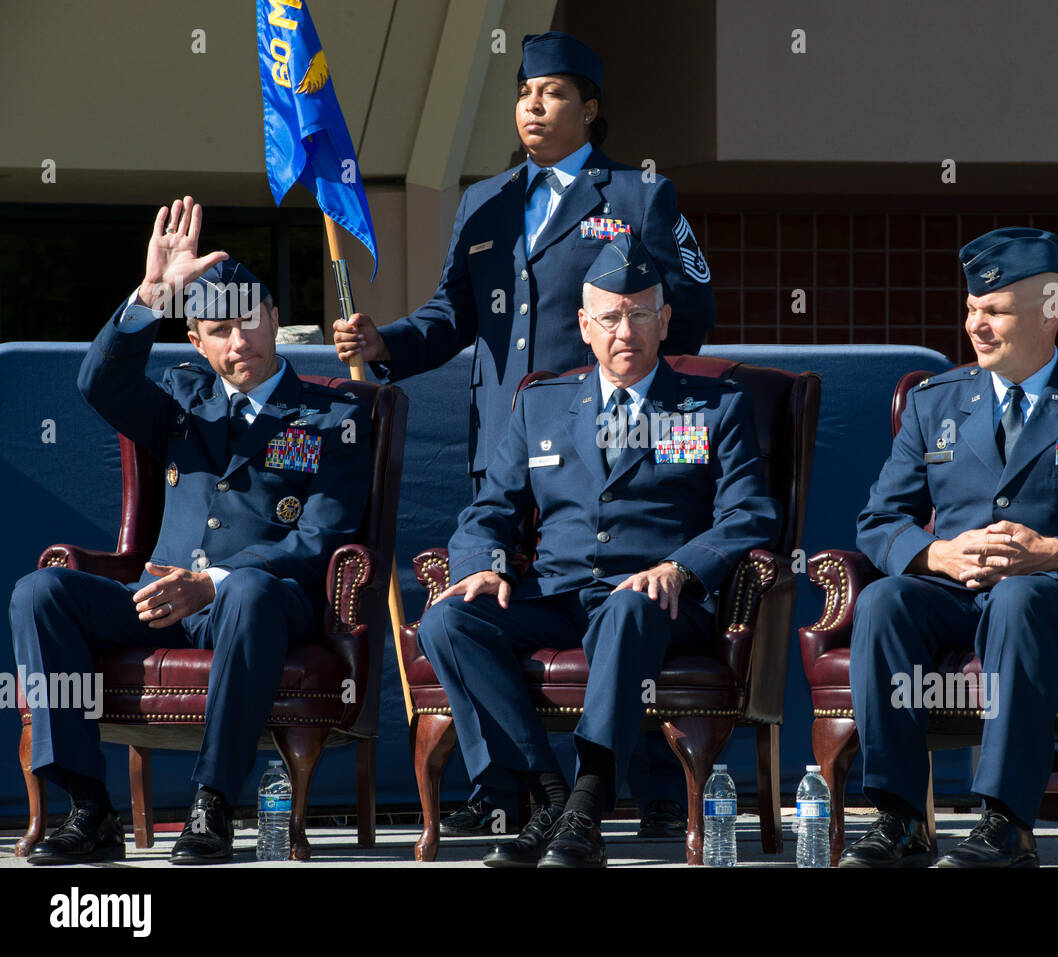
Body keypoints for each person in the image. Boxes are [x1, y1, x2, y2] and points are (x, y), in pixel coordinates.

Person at [335, 31, 712, 837]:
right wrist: (384, 344)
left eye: (551, 94)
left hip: (611, 451)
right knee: (479, 603)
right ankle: (510, 786)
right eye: (523, 94)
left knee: (615, 594)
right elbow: (451, 317)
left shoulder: (640, 196)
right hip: (510, 451)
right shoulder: (487, 203)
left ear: (591, 110)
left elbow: (692, 314)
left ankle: (638, 782)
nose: (532, 108)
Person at [10, 196, 372, 865]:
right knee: (40, 592)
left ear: (275, 319)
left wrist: (213, 582)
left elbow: (324, 537)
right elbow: (98, 382)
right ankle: (89, 807)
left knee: (249, 594)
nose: (240, 341)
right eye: (218, 329)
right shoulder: (180, 399)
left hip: (261, 601)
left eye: (252, 320)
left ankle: (212, 803)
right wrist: (153, 293)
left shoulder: (332, 415)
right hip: (159, 596)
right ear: (197, 343)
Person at [417, 235, 779, 867]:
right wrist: (483, 564)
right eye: (610, 316)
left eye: (640, 313)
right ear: (585, 326)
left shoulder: (717, 408)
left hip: (660, 604)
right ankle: (549, 794)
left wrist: (678, 568)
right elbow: (489, 510)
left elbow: (749, 515)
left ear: (665, 321)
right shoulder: (542, 404)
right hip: (557, 594)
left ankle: (587, 802)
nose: (625, 330)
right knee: (450, 618)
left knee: (628, 606)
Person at [841, 227, 1058, 868]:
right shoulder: (933, 403)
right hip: (956, 592)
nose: (977, 325)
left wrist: (1055, 551)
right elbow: (879, 518)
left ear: (1050, 312)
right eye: (972, 309)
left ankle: (1006, 825)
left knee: (1020, 600)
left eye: (995, 311)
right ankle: (898, 816)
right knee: (886, 601)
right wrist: (934, 555)